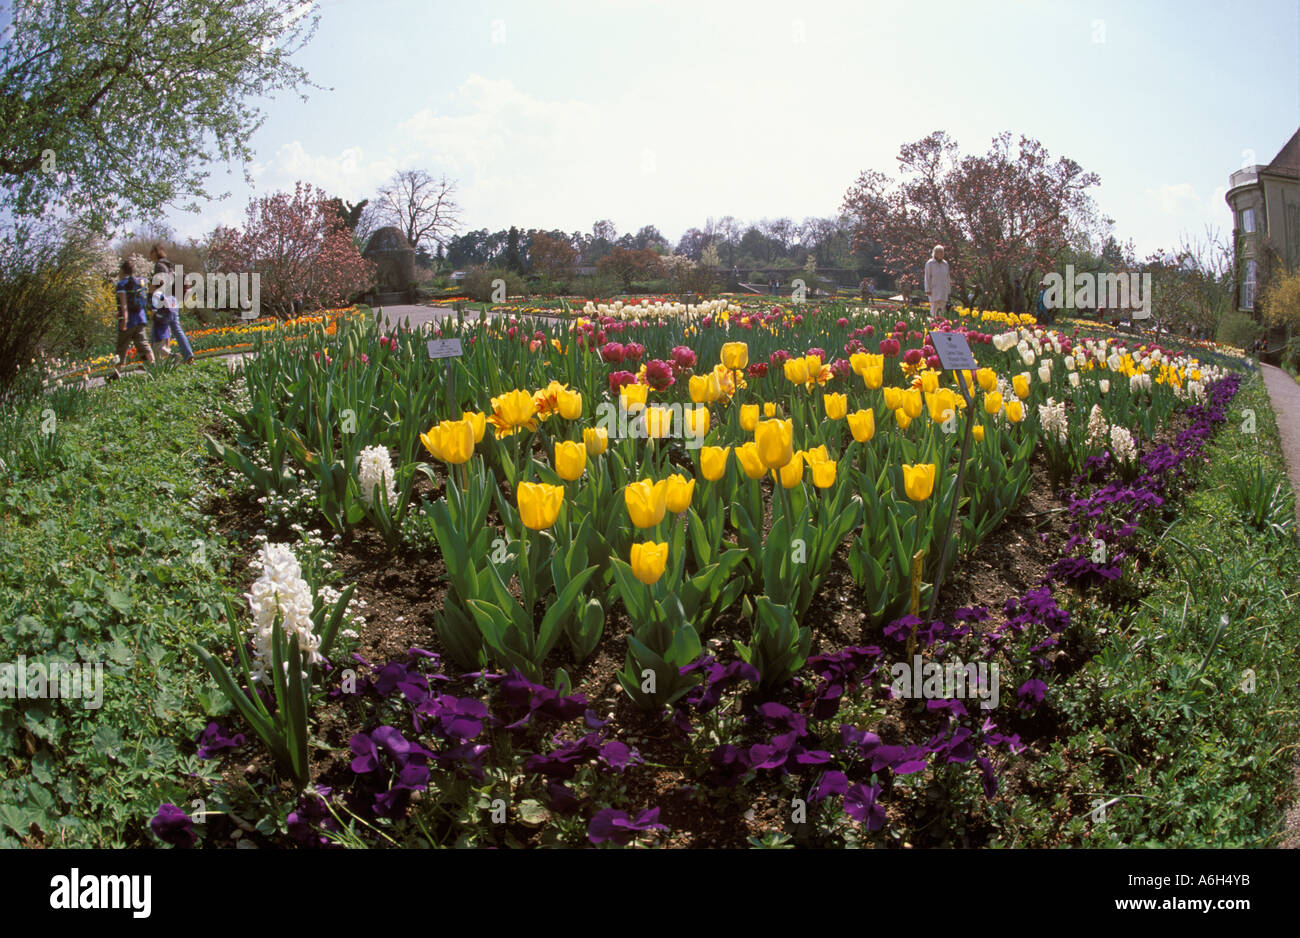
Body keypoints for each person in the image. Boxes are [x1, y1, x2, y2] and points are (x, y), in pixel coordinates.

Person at [149, 244, 195, 364]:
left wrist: (153, 293)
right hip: (173, 300)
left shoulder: (159, 265)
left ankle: (160, 359)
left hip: (164, 300)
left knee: (157, 329)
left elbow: (161, 282)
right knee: (176, 329)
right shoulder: (170, 265)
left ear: (155, 252)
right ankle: (188, 355)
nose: (150, 255)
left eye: (151, 252)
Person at [110, 260, 155, 380]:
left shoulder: (122, 284)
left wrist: (124, 319)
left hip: (128, 321)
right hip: (140, 318)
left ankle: (116, 374)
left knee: (121, 347)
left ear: (122, 270)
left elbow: (124, 304)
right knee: (143, 344)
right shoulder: (141, 282)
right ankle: (154, 367)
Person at [924, 245, 950, 318]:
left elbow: (947, 277)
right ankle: (933, 324)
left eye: (942, 252)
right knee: (934, 308)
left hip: (943, 289)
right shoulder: (930, 263)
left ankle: (943, 326)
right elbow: (927, 277)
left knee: (943, 309)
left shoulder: (945, 264)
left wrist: (948, 290)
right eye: (940, 252)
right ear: (935, 253)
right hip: (933, 289)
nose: (942, 254)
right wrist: (927, 289)